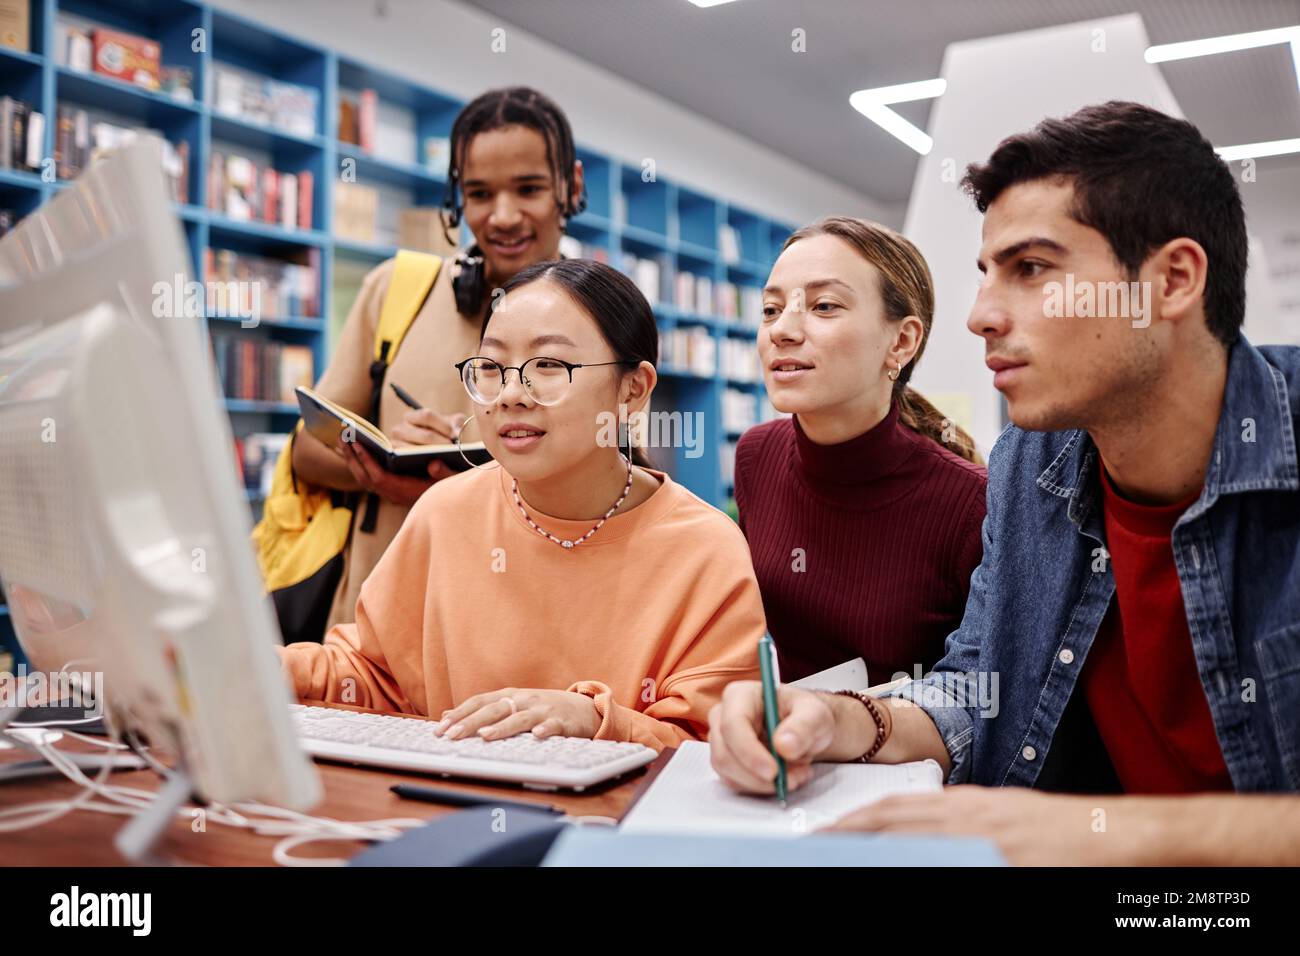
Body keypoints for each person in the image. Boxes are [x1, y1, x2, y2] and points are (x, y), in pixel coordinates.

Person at [709, 101, 1300, 865]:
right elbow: (971, 690)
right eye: (988, 274)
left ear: (1173, 280)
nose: (982, 315)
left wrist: (1116, 835)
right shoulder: (1032, 462)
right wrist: (844, 718)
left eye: (1031, 269)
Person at [279, 259, 765, 750]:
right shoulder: (444, 512)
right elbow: (374, 677)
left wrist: (595, 721)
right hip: (449, 809)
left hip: (616, 823)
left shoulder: (705, 550)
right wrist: (278, 668)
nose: (510, 395)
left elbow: (718, 747)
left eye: (549, 366)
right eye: (491, 368)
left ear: (632, 390)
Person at [293, 86, 587, 633]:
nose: (502, 216)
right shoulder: (395, 291)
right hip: (374, 626)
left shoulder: (602, 318)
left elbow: (617, 485)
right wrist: (384, 464)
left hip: (529, 627)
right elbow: (307, 451)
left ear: (570, 186)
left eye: (528, 189)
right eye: (479, 193)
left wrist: (468, 475)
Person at [738, 216, 985, 683]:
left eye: (824, 306)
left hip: (908, 751)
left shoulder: (972, 501)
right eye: (770, 310)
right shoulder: (756, 456)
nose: (782, 331)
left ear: (902, 341)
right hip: (783, 744)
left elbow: (980, 690)